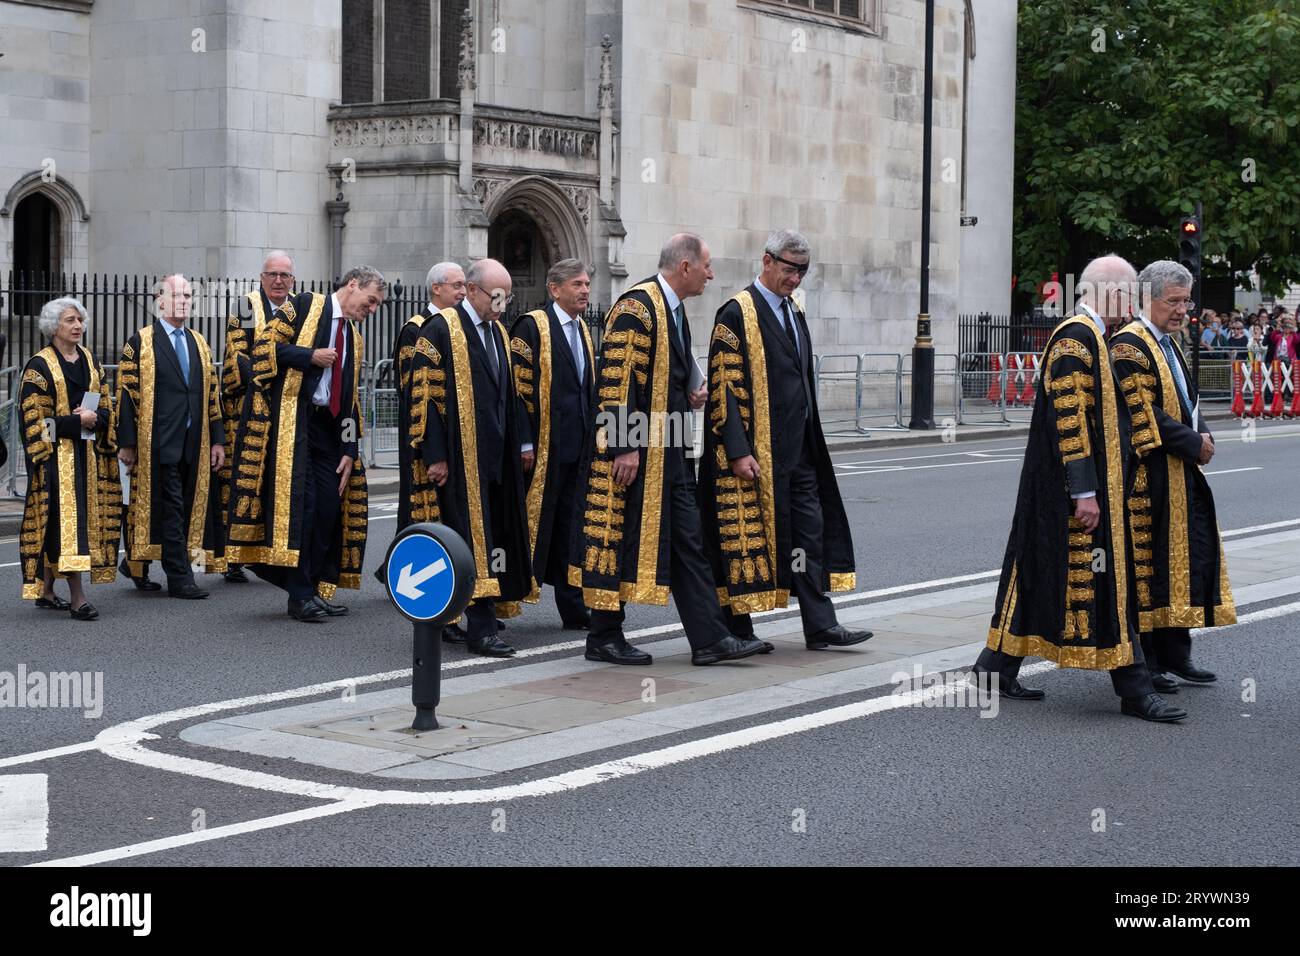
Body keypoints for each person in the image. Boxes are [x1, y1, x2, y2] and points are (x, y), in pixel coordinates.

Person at [976, 255, 1184, 722]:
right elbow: (1070, 423)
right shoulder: (1078, 337)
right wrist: (1085, 492)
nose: (1133, 304)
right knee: (1112, 582)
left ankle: (994, 670)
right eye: (1129, 293)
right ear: (1109, 292)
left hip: (1068, 487)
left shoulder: (1090, 336)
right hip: (1081, 490)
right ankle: (1134, 689)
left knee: (1037, 570)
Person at [569, 233, 767, 666]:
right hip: (634, 450)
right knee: (612, 536)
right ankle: (603, 636)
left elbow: (663, 376)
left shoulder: (673, 311)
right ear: (685, 267)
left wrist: (688, 394)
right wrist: (624, 446)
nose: (711, 275)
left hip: (669, 446)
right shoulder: (636, 307)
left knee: (686, 540)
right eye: (707, 266)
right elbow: (616, 378)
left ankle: (710, 638)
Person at [700, 229, 869, 652]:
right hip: (754, 452)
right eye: (790, 269)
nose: (796, 278)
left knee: (808, 535)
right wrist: (737, 450)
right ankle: (736, 627)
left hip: (800, 451)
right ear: (767, 260)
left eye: (803, 271)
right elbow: (724, 387)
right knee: (740, 540)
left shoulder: (794, 313)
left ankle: (820, 624)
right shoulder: (736, 313)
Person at [226, 266, 380, 621]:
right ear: (353, 286)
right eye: (370, 301)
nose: (371, 310)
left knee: (329, 507)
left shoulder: (354, 336)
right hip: (294, 425)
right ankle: (299, 595)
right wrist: (308, 356)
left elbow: (349, 397)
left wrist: (348, 448)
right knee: (303, 508)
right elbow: (265, 348)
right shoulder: (306, 304)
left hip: (328, 431)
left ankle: (312, 587)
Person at [1110, 260, 1236, 689]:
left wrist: (1205, 435)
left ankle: (1177, 655)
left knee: (1183, 561)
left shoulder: (1168, 342)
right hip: (1147, 477)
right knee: (1150, 569)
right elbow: (1143, 412)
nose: (1184, 310)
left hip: (1178, 471)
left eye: (1187, 300)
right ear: (1149, 298)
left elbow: (1185, 400)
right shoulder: (1130, 344)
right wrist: (1192, 443)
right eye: (1175, 301)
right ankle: (1148, 663)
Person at [407, 258, 535, 657]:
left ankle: (485, 607)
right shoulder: (440, 330)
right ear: (474, 290)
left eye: (508, 297)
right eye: (497, 295)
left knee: (494, 536)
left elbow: (509, 395)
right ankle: (478, 627)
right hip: (460, 458)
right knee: (468, 537)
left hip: (495, 457)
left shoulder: (498, 332)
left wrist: (522, 443)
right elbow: (424, 397)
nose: (503, 304)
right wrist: (435, 455)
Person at [115, 275, 226, 599]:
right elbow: (126, 394)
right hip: (158, 441)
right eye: (176, 295)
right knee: (172, 508)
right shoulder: (141, 342)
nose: (183, 301)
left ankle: (135, 564)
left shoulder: (199, 342)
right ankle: (180, 578)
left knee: (188, 507)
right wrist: (127, 442)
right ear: (159, 300)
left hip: (195, 442)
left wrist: (217, 440)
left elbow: (212, 395)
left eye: (188, 296)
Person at [18, 298, 121, 619]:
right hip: (55, 460)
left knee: (65, 526)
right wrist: (78, 421)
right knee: (67, 526)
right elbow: (34, 422)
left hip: (88, 458)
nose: (77, 326)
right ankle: (78, 598)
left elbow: (105, 407)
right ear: (53, 327)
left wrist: (96, 418)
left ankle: (48, 592)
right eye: (69, 321)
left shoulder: (90, 361)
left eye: (79, 320)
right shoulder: (39, 366)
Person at [509, 258, 597, 631]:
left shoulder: (585, 331)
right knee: (524, 525)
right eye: (577, 284)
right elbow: (517, 389)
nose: (585, 291)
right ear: (555, 288)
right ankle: (502, 599)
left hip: (577, 449)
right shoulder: (532, 326)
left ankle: (574, 607)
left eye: (587, 284)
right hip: (542, 450)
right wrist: (525, 442)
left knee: (572, 529)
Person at [374, 261, 465, 580]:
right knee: (417, 506)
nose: (463, 292)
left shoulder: (456, 325)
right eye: (456, 285)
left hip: (447, 432)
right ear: (436, 288)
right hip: (420, 433)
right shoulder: (417, 327)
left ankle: (392, 567)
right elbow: (412, 389)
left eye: (465, 285)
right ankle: (401, 568)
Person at [218, 251, 296, 584]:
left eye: (285, 275)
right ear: (261, 278)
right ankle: (235, 555)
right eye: (272, 274)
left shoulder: (299, 307)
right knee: (243, 480)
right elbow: (239, 356)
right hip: (249, 409)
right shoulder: (246, 307)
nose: (278, 281)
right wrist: (273, 377)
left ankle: (272, 549)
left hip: (288, 409)